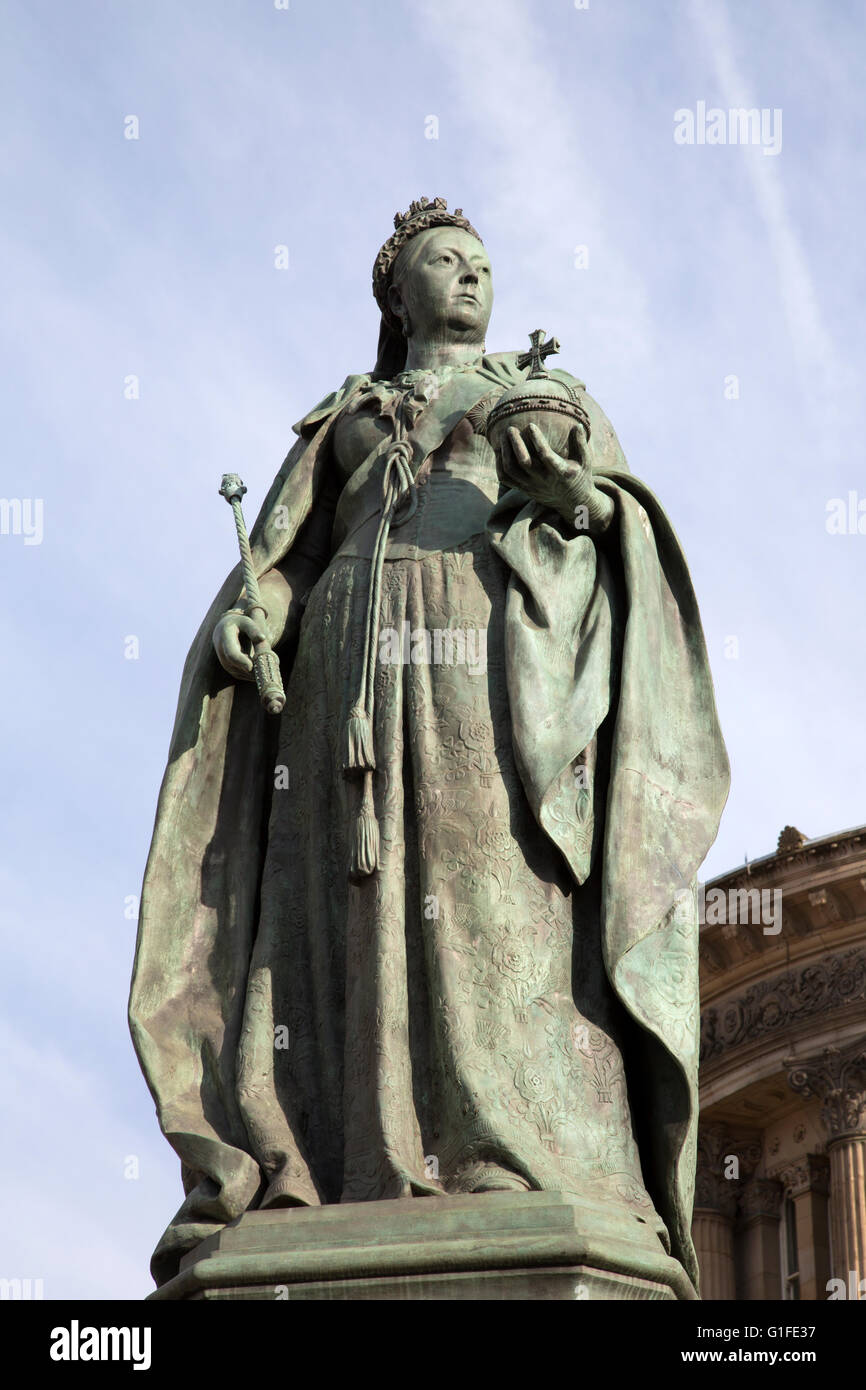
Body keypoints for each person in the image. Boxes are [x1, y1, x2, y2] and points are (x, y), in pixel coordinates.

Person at [129, 196, 729, 1293]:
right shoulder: (342, 417)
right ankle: (355, 1154)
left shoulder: (540, 394)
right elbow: (280, 560)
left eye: (479, 263)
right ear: (394, 293)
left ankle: (513, 1148)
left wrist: (574, 500)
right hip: (345, 671)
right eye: (441, 261)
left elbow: (613, 516)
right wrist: (249, 615)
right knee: (350, 906)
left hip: (489, 660)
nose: (467, 276)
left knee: (491, 884)